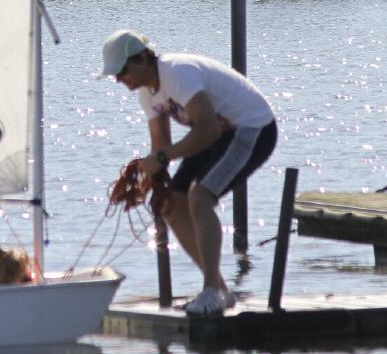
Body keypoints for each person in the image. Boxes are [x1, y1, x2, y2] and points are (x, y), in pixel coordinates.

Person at [101, 29, 277, 316]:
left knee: (199, 198)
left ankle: (209, 291)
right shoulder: (147, 94)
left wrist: (160, 157)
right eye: (115, 75)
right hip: (216, 135)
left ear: (143, 58)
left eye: (121, 71)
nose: (119, 79)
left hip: (252, 129)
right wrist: (149, 180)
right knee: (171, 204)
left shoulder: (177, 72)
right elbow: (163, 147)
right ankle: (220, 291)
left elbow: (205, 130)